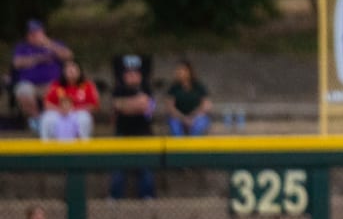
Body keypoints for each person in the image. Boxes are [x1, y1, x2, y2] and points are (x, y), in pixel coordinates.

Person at [10, 20, 73, 132]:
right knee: (23, 91)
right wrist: (38, 59)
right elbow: (17, 63)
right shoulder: (22, 47)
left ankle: (56, 123)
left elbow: (68, 56)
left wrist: (49, 44)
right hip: (29, 84)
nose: (34, 36)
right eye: (31, 34)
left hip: (52, 83)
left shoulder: (54, 44)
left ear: (43, 32)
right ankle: (38, 120)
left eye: (37, 33)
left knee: (58, 92)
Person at [109, 58, 157, 200]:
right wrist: (134, 104)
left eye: (135, 73)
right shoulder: (118, 90)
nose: (131, 76)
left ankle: (147, 195)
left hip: (143, 134)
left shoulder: (147, 89)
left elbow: (145, 106)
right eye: (128, 74)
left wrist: (125, 106)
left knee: (146, 165)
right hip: (122, 133)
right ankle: (115, 196)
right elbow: (116, 106)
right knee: (117, 166)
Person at [39, 60, 99, 141]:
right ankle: (46, 149)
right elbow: (47, 103)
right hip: (59, 113)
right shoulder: (56, 85)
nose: (71, 71)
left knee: (84, 117)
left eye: (74, 68)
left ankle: (83, 148)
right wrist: (60, 110)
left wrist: (73, 110)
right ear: (63, 72)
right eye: (68, 69)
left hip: (78, 113)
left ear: (79, 71)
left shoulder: (88, 85)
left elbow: (94, 105)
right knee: (47, 118)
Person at [165, 60, 213, 136]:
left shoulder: (198, 86)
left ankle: (194, 145)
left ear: (189, 71)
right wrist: (183, 118)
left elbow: (206, 105)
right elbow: (170, 107)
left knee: (200, 123)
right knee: (175, 125)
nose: (179, 72)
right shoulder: (174, 88)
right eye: (178, 70)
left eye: (182, 70)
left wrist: (193, 117)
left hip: (196, 117)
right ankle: (178, 146)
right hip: (178, 117)